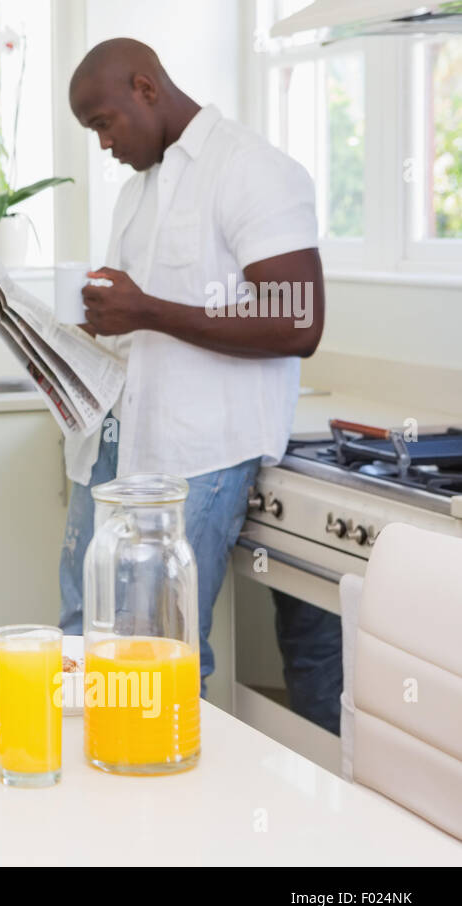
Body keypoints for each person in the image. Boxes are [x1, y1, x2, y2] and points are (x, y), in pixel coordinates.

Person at [59, 38, 333, 713]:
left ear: (146, 89)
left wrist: (145, 309)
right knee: (84, 641)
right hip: (118, 443)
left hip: (200, 453)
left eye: (103, 124)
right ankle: (91, 809)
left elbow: (299, 323)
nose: (103, 144)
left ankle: (160, 805)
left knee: (153, 657)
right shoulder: (138, 192)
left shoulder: (252, 171)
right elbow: (140, 328)